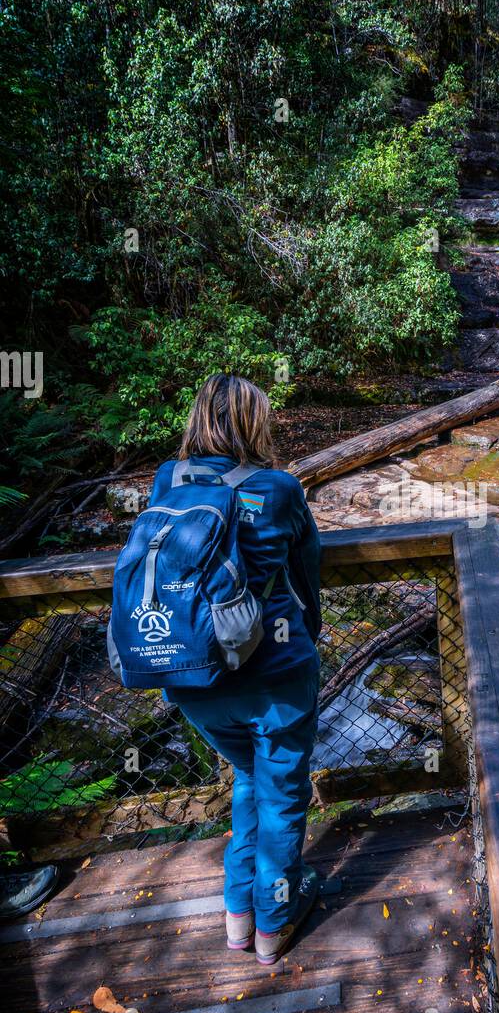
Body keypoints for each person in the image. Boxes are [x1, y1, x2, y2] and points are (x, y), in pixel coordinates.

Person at [151, 374, 322, 965]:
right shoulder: (278, 488)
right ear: (255, 423)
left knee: (250, 777)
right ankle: (274, 926)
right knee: (282, 798)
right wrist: (306, 642)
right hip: (273, 676)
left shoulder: (165, 482)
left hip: (191, 675)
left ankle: (237, 917)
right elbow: (307, 577)